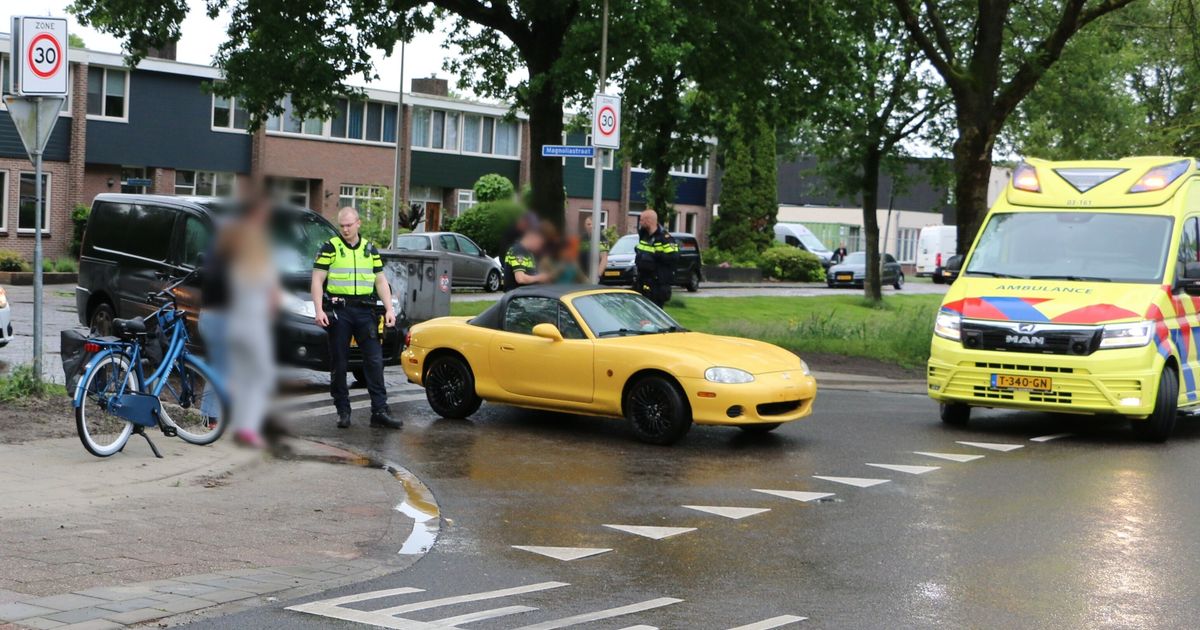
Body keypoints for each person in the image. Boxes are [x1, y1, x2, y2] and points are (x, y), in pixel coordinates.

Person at [312, 207, 401, 430]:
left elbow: (380, 281)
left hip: (365, 311)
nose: (345, 229)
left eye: (349, 225)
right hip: (339, 312)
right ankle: (343, 410)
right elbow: (316, 280)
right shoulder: (330, 247)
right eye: (342, 225)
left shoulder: (370, 250)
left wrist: (389, 309)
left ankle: (379, 411)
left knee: (374, 361)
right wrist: (318, 310)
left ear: (358, 223)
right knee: (339, 362)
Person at [633, 209, 679, 307]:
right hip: (643, 280)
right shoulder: (644, 235)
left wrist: (657, 255)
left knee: (655, 312)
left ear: (649, 221)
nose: (640, 223)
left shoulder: (665, 238)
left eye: (642, 220)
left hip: (657, 284)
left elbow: (674, 257)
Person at [502, 222, 550, 291]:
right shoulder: (518, 250)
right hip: (518, 296)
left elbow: (532, 273)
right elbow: (520, 279)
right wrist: (540, 277)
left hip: (526, 294)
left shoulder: (528, 252)